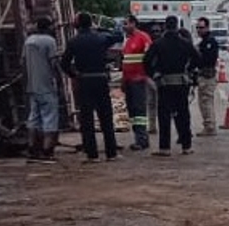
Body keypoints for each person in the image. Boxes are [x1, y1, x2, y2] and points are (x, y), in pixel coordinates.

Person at [61, 12, 123, 163]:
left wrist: (74, 74)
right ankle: (111, 153)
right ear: (91, 23)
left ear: (77, 24)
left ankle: (92, 155)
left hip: (84, 81)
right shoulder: (101, 38)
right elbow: (119, 35)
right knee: (106, 117)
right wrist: (100, 29)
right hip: (101, 79)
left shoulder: (74, 41)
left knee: (87, 119)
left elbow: (64, 63)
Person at [143, 15, 200, 156]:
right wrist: (188, 70)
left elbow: (146, 61)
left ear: (165, 27)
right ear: (177, 26)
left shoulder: (158, 43)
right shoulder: (185, 43)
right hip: (181, 81)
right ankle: (186, 146)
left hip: (164, 82)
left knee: (164, 115)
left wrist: (154, 74)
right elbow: (198, 58)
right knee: (183, 114)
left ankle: (165, 148)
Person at [22, 16, 60, 161]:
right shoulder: (49, 41)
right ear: (49, 27)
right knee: (50, 118)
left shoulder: (28, 41)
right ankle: (47, 151)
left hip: (32, 86)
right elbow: (53, 63)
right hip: (47, 86)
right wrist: (59, 80)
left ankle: (32, 149)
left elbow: (23, 62)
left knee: (33, 118)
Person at [121, 14, 154, 150]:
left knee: (139, 110)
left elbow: (150, 56)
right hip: (129, 80)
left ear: (134, 23)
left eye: (126, 23)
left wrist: (147, 75)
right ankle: (138, 138)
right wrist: (123, 80)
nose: (124, 26)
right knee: (133, 110)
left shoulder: (143, 37)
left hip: (139, 80)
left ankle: (142, 139)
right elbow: (125, 62)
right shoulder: (128, 40)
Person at [194, 16, 220, 136]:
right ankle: (209, 125)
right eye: (197, 27)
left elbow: (207, 60)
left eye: (201, 27)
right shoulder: (203, 42)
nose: (199, 30)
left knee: (206, 101)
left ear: (207, 27)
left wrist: (197, 55)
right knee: (204, 101)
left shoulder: (209, 42)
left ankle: (209, 126)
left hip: (207, 75)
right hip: (203, 74)